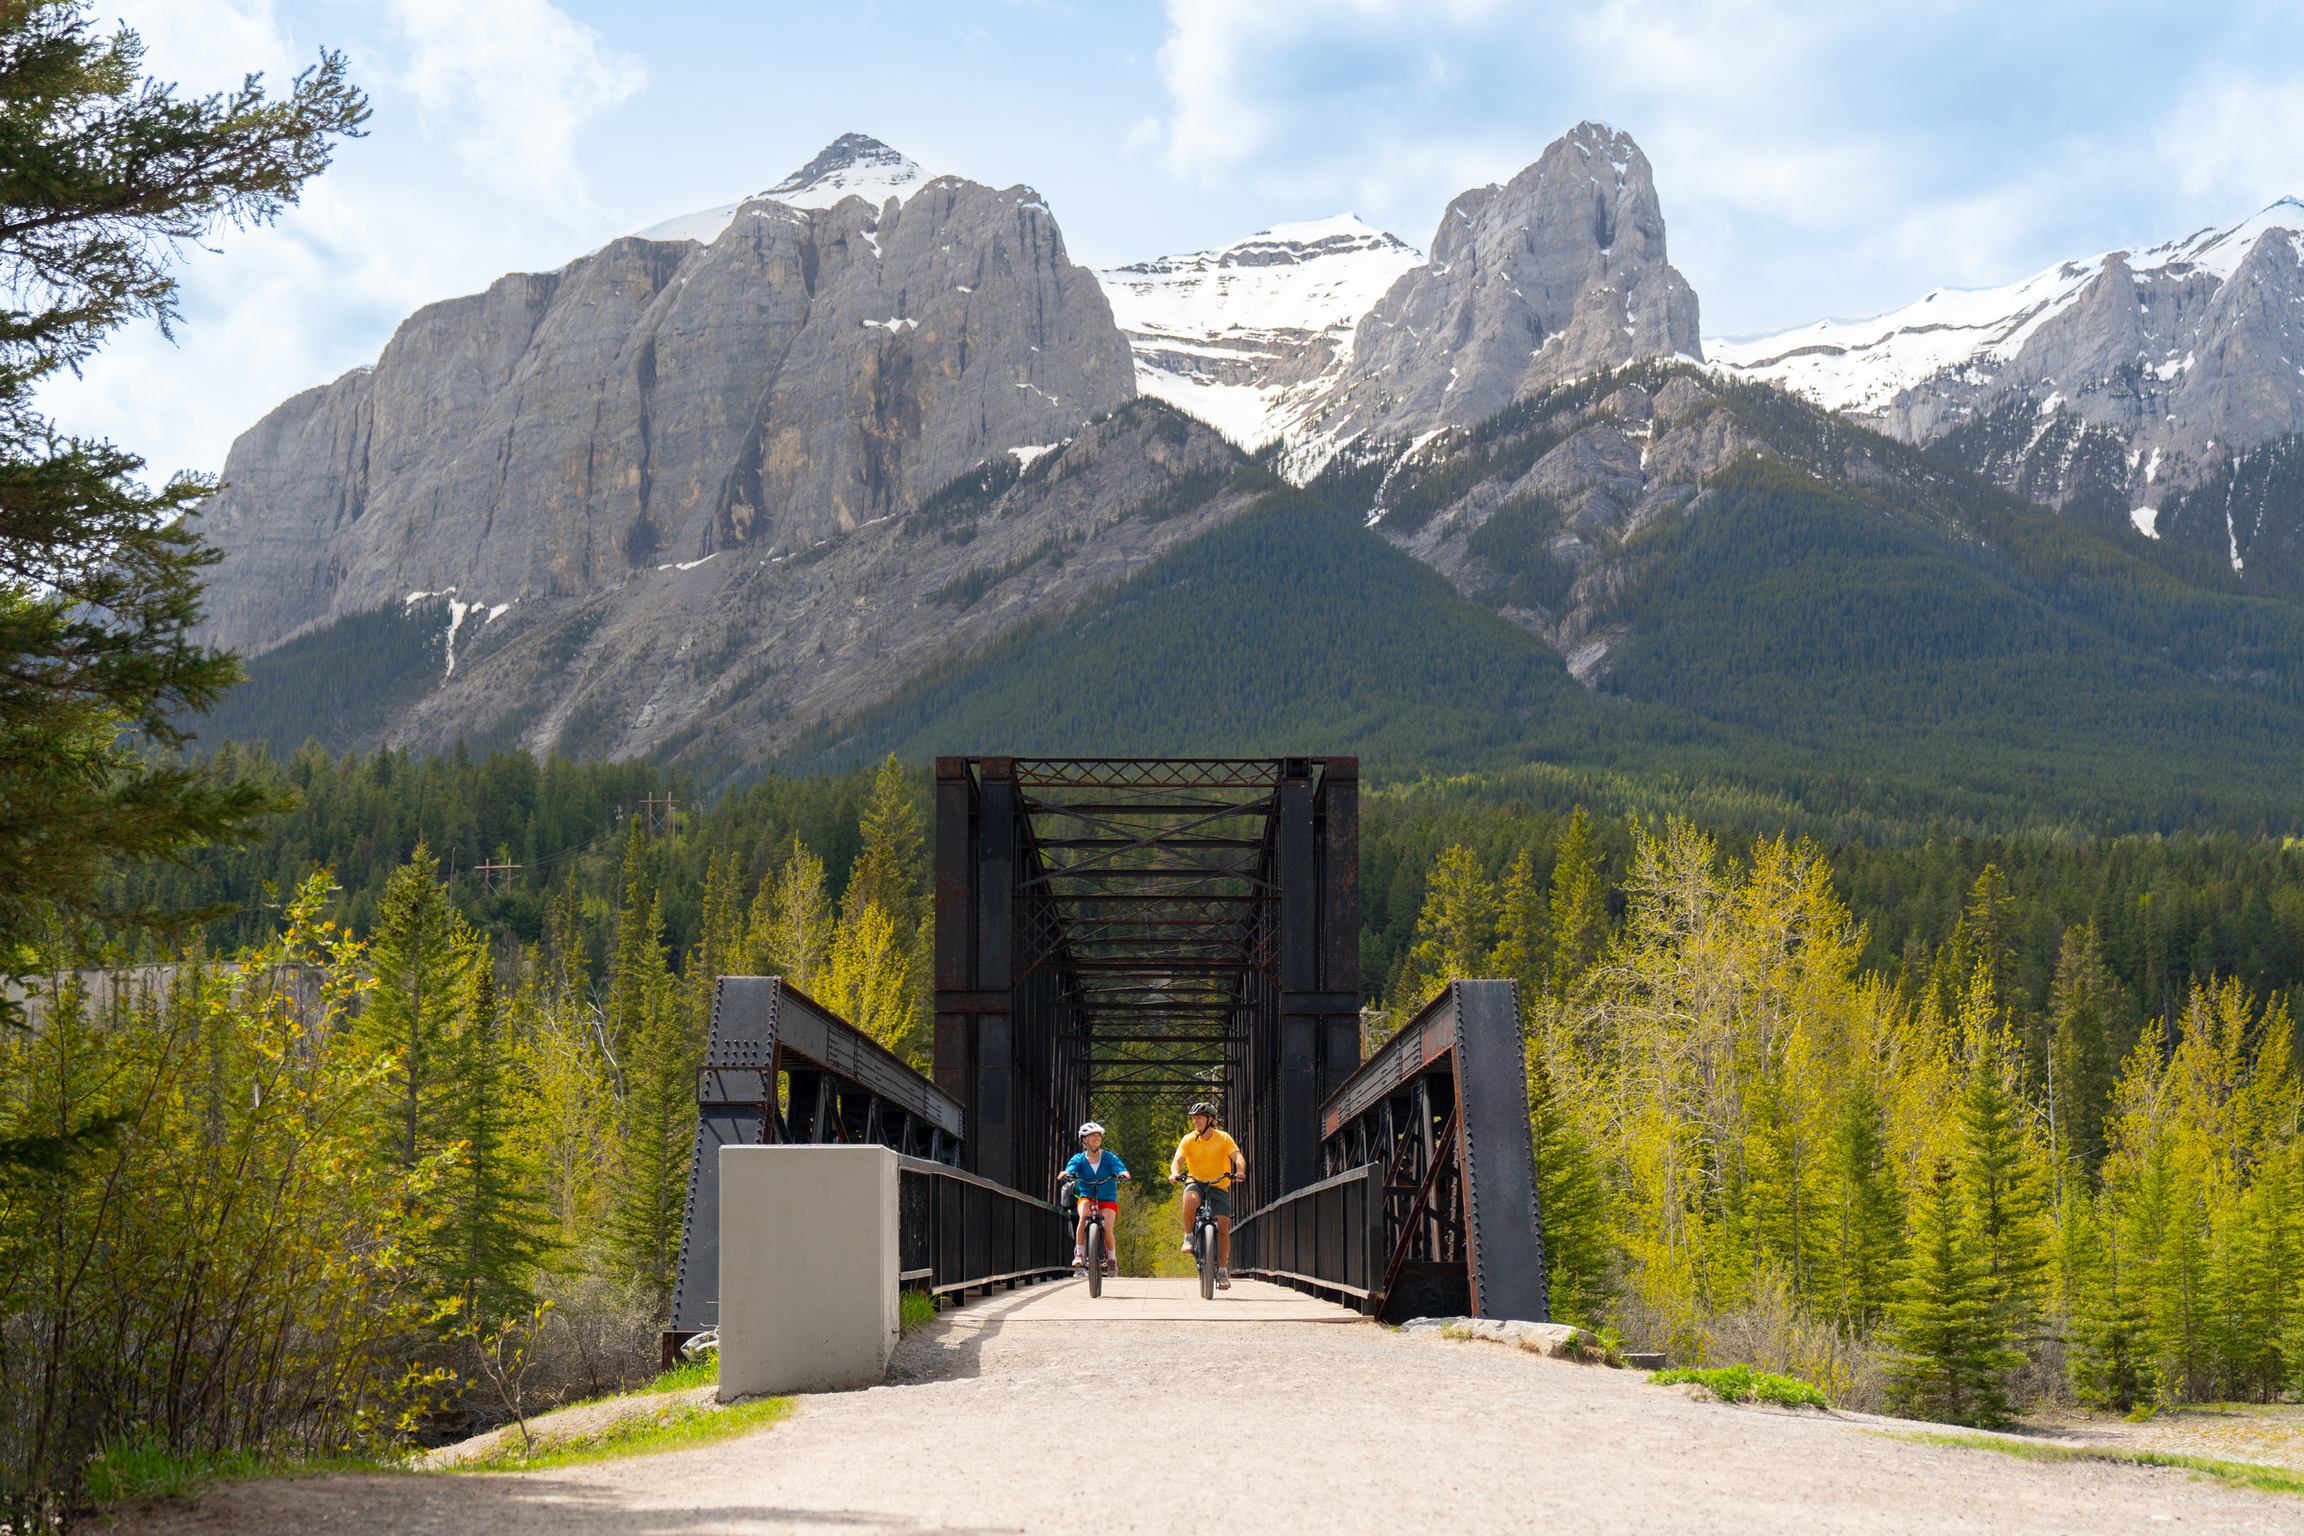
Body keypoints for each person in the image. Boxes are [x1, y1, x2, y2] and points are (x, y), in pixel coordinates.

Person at [1169, 1100, 1244, 1289]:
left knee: (1224, 1224)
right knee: (1190, 1199)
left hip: (1219, 1184)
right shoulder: (1188, 1139)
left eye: (1199, 1118)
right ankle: (1189, 1236)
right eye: (1194, 1119)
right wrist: (1174, 1172)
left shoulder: (1224, 1138)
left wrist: (1240, 1170)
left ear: (1210, 1120)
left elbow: (1237, 1157)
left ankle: (1222, 1271)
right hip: (1196, 1181)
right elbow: (1177, 1160)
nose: (1196, 1122)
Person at [1061, 1121, 1129, 1275]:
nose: (1097, 1138)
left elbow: (1119, 1167)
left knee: (1107, 1227)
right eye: (1093, 1136)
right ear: (1084, 1139)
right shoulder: (1079, 1159)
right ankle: (1079, 1254)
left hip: (1107, 1198)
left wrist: (1122, 1174)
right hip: (1087, 1196)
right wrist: (1067, 1173)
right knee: (1083, 1216)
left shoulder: (1108, 1157)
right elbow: (1071, 1168)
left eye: (1099, 1136)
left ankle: (1111, 1259)